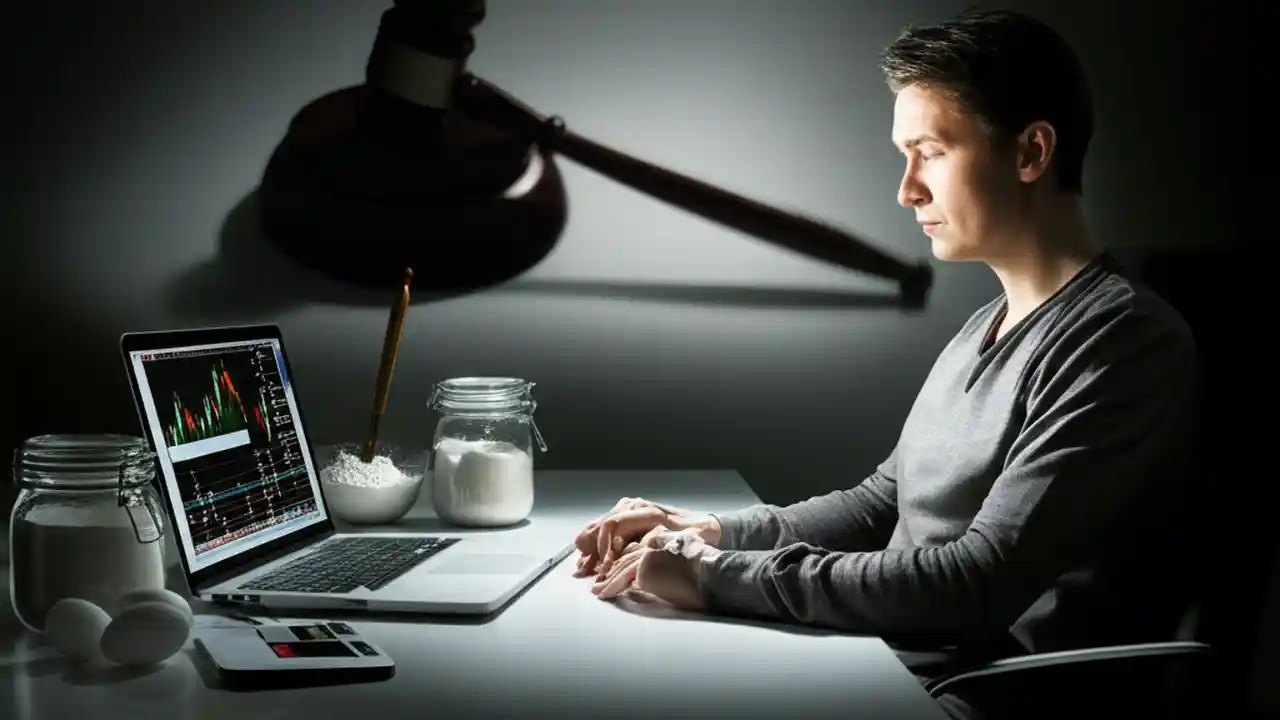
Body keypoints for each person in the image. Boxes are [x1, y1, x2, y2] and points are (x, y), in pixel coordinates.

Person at [571, 7, 1202, 720]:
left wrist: (718, 578)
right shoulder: (982, 328)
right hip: (883, 663)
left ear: (1031, 152)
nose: (907, 189)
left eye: (930, 152)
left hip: (974, 699)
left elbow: (976, 585)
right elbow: (882, 506)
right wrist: (707, 533)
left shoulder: (1120, 342)